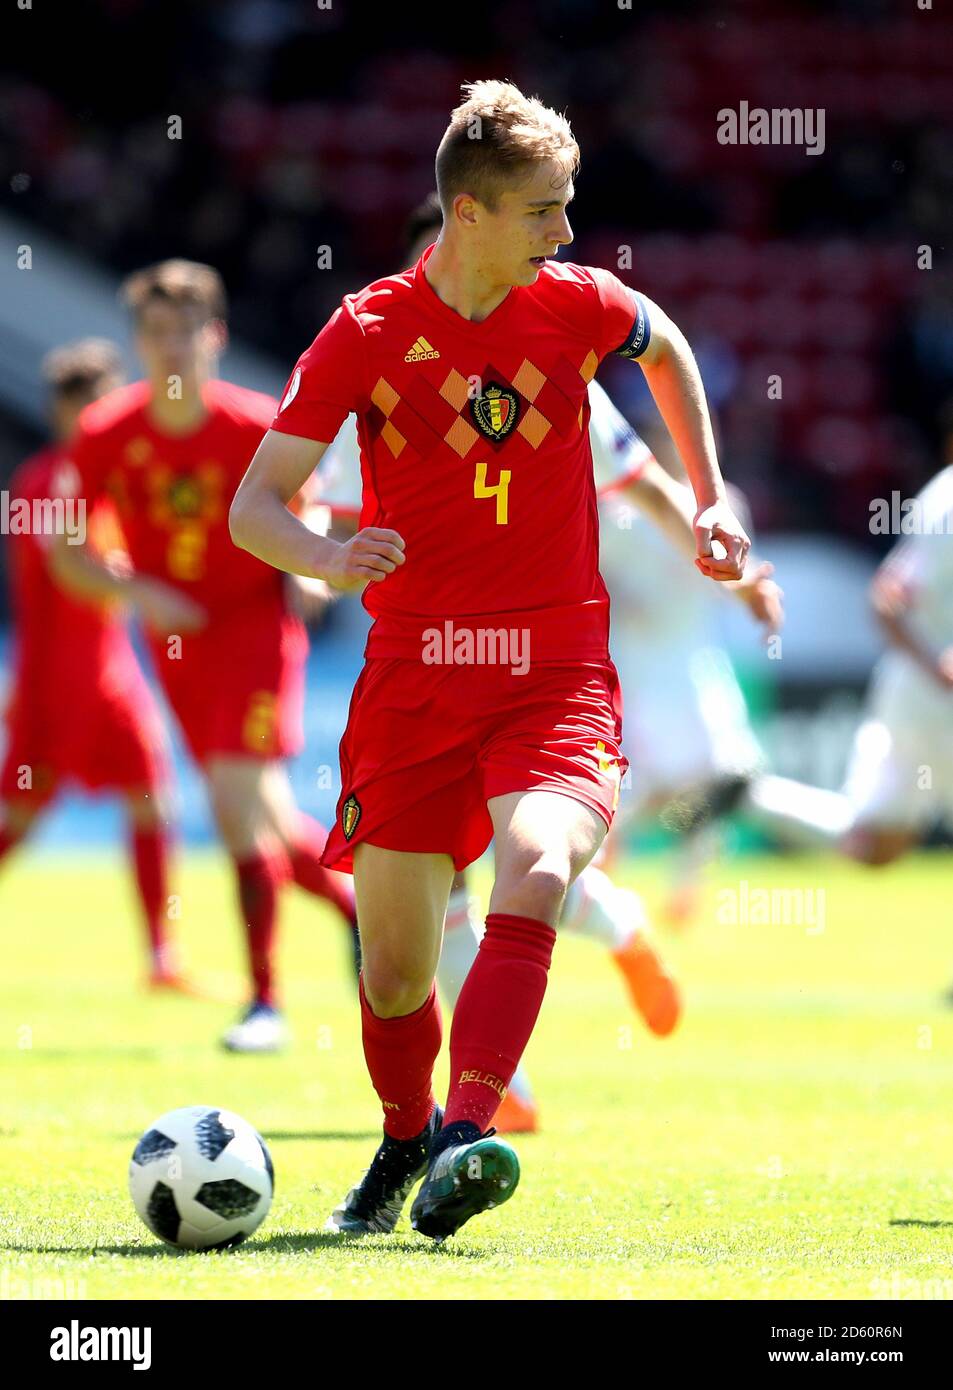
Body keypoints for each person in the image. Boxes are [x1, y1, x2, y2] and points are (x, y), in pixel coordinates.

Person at [231, 81, 752, 1239]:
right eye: (542, 212)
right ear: (466, 213)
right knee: (393, 975)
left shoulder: (573, 306)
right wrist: (327, 552)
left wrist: (710, 501)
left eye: (566, 210)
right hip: (412, 680)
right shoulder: (365, 331)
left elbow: (660, 346)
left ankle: (467, 1134)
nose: (565, 234)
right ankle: (406, 1132)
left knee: (538, 865)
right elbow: (252, 509)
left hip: (555, 672)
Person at [50, 262, 359, 1052]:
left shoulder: (255, 424)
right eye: (156, 334)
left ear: (214, 336)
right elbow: (67, 550)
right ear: (139, 343)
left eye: (186, 331)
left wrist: (314, 566)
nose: (172, 348)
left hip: (255, 632)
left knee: (231, 804)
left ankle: (266, 1002)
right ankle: (362, 915)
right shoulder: (106, 434)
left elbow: (312, 502)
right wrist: (138, 591)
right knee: (261, 818)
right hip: (178, 650)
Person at [0, 338, 186, 988]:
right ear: (64, 411)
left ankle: (163, 959)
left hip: (102, 672)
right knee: (19, 822)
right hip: (64, 681)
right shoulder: (50, 482)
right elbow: (65, 572)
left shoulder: (100, 479)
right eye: (91, 406)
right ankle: (162, 957)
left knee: (150, 800)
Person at [739, 464, 953, 880]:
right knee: (874, 843)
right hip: (928, 697)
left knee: (875, 846)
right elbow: (885, 601)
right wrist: (937, 666)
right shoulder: (947, 500)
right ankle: (747, 795)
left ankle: (753, 797)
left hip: (918, 692)